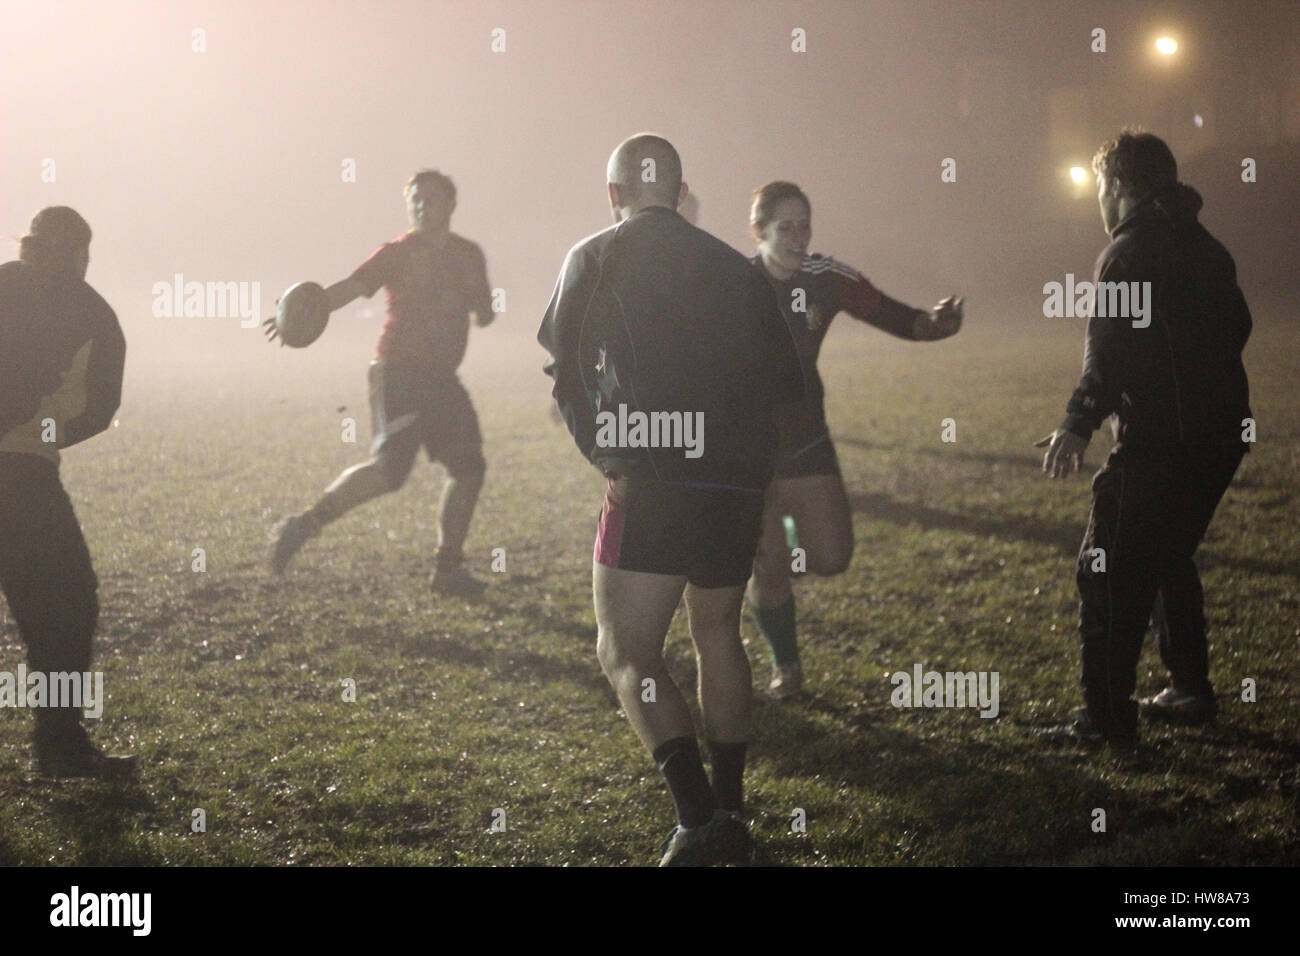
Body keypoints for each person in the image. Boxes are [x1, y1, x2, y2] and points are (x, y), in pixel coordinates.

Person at [538, 134, 804, 865]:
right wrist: (753, 472)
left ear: (614, 195)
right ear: (680, 193)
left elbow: (566, 375)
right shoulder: (732, 265)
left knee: (626, 650)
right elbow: (786, 384)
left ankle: (700, 819)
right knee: (717, 633)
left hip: (654, 475)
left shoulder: (594, 255)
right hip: (734, 477)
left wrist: (606, 454)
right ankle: (732, 807)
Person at [1036, 130, 1252, 751]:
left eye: (1100, 187)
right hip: (1221, 438)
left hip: (1162, 443)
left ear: (1120, 186)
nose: (1098, 200)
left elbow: (1107, 356)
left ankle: (1105, 720)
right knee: (1166, 552)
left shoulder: (1126, 253)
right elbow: (1239, 324)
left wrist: (1078, 424)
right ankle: (1188, 688)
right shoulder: (1209, 247)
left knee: (1105, 571)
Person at [745, 182, 963, 698]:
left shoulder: (828, 277)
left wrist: (934, 325)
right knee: (769, 567)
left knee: (831, 557)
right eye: (785, 227)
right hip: (745, 448)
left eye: (805, 224)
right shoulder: (730, 282)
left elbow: (893, 314)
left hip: (804, 437)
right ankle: (788, 669)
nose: (799, 236)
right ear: (758, 232)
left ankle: (790, 538)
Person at [267, 170, 496, 596]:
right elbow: (349, 289)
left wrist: (481, 309)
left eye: (432, 199)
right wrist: (300, 311)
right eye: (416, 201)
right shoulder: (396, 254)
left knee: (469, 468)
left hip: (443, 379)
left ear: (451, 204)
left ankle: (448, 568)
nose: (423, 207)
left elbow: (484, 309)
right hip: (399, 374)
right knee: (391, 472)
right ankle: (303, 526)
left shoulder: (469, 254)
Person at [0, 207, 134, 778]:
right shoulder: (92, 313)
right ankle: (59, 742)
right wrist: (36, 430)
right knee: (66, 601)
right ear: (82, 253)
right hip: (20, 474)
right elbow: (96, 412)